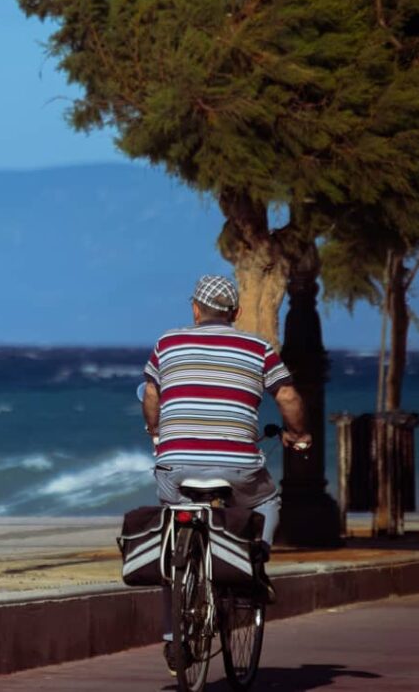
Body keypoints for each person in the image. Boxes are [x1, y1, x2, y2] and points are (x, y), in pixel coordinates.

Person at [141, 274, 312, 670]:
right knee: (268, 500)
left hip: (175, 464)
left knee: (172, 541)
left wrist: (155, 429)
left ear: (195, 310)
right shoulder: (258, 348)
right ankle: (256, 563)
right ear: (236, 313)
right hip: (237, 466)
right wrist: (299, 434)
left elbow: (151, 393)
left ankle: (173, 639)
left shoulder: (167, 343)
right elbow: (287, 395)